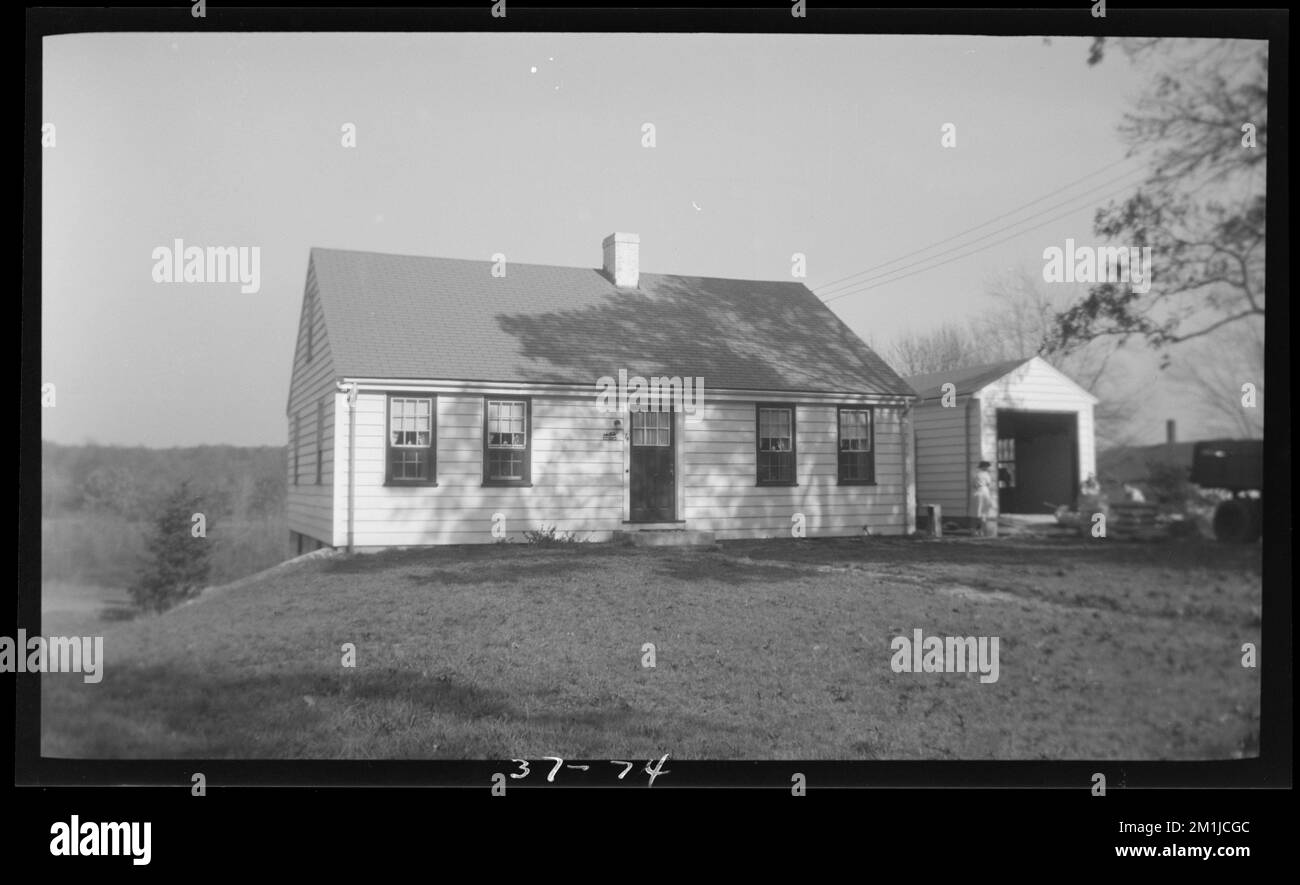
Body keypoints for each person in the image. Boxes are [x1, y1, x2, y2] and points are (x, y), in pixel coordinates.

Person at [973, 460, 997, 536]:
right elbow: (989, 483)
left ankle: (978, 530)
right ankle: (980, 530)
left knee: (979, 511)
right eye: (987, 467)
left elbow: (974, 485)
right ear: (984, 467)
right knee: (984, 511)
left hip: (977, 492)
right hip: (984, 491)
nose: (987, 468)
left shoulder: (977, 474)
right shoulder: (986, 474)